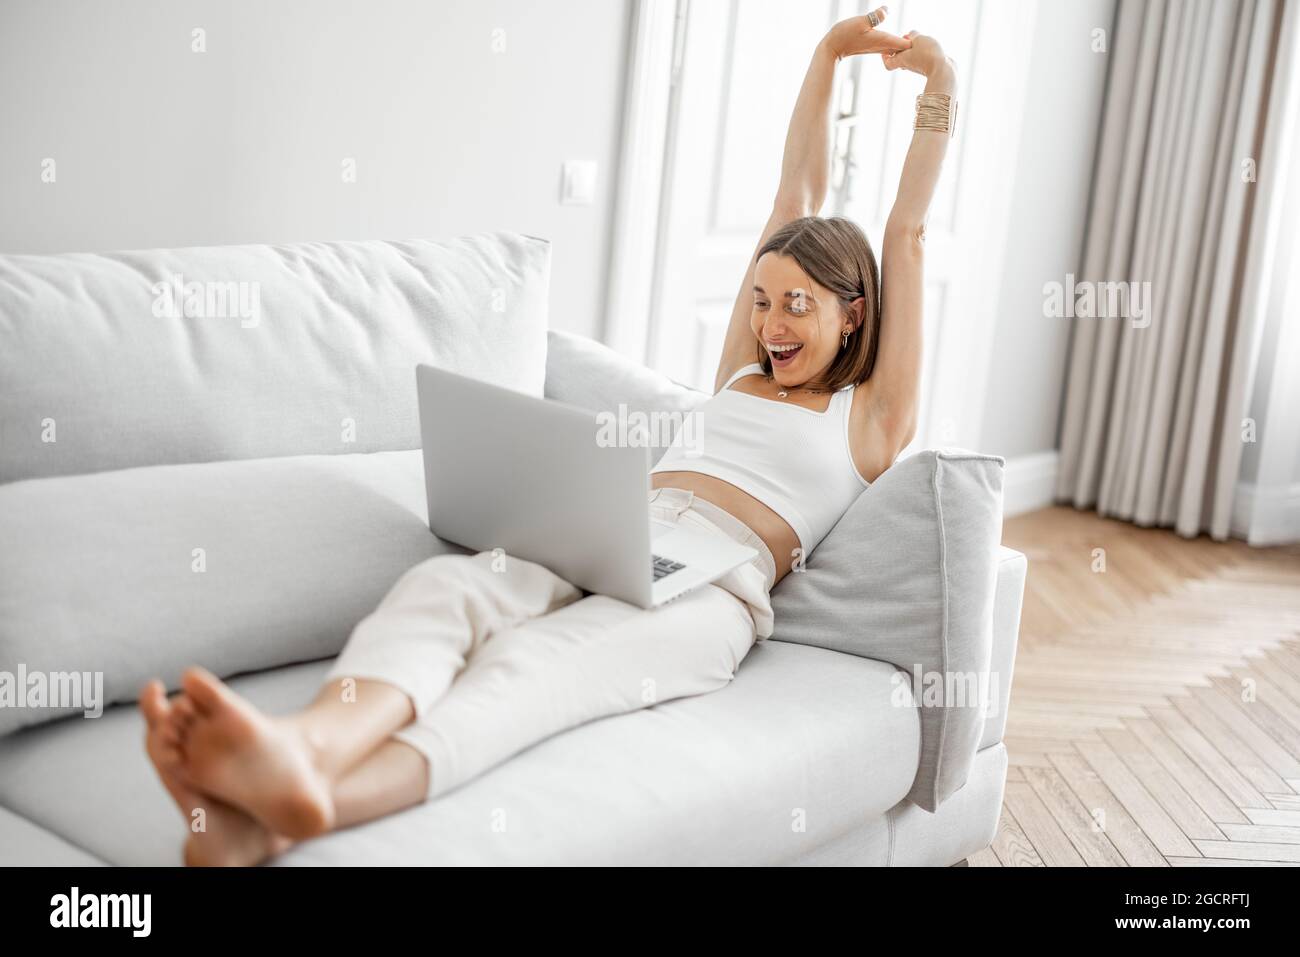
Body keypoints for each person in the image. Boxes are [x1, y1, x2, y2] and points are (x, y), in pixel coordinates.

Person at [140, 6, 957, 865]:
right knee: (446, 592)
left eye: (799, 305)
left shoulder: (868, 419)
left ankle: (298, 810)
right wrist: (826, 54)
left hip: (712, 590)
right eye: (761, 299)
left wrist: (940, 89)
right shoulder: (742, 375)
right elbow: (795, 195)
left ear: (853, 311)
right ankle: (304, 747)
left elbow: (906, 231)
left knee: (527, 672)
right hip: (616, 534)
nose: (773, 323)